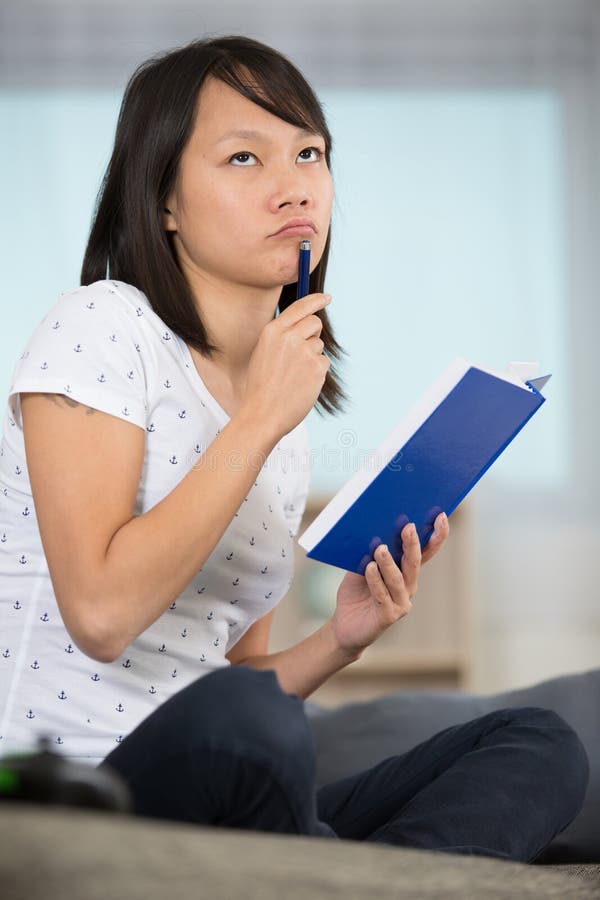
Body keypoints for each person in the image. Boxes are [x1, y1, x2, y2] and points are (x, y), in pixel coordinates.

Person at [0, 35, 588, 860]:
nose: (292, 186)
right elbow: (99, 616)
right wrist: (256, 423)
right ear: (164, 199)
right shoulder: (102, 327)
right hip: (76, 789)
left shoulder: (282, 422)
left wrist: (343, 638)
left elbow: (235, 680)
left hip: (217, 787)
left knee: (540, 745)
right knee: (251, 727)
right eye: (244, 158)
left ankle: (332, 877)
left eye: (308, 153)